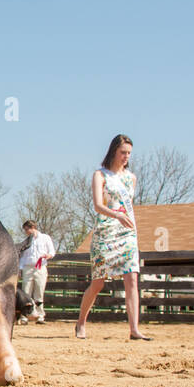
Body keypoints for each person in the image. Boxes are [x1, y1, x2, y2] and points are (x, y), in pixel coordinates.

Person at [76, 134, 152, 341]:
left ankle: (134, 329)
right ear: (113, 152)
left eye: (129, 153)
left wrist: (125, 219)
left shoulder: (131, 178)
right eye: (123, 152)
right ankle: (81, 321)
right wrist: (117, 215)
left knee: (132, 279)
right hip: (105, 231)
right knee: (98, 282)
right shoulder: (100, 175)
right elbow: (98, 205)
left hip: (126, 233)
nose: (126, 156)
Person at [17, 221, 55, 323]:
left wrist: (48, 256)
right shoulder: (26, 241)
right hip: (28, 268)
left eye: (27, 229)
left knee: (39, 291)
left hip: (40, 267)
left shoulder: (45, 238)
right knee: (26, 291)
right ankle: (24, 316)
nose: (26, 232)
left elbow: (52, 251)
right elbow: (23, 257)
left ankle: (40, 315)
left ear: (32, 227)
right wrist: (20, 269)